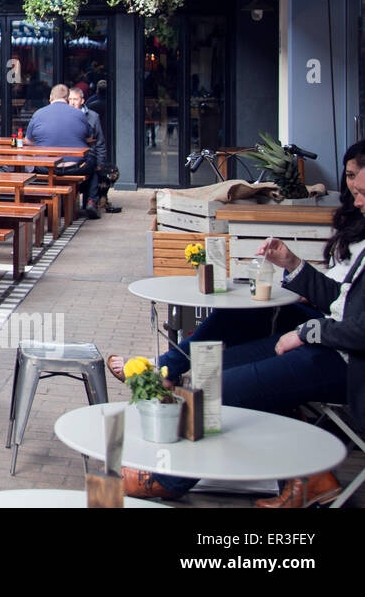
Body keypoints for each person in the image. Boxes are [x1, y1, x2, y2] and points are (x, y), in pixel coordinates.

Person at [118, 142, 365, 506]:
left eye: (361, 191)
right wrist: (292, 264)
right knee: (216, 368)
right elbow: (342, 302)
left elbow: (358, 329)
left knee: (222, 389)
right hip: (331, 344)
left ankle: (168, 480)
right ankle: (311, 478)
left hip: (348, 361)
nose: (356, 200)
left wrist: (306, 332)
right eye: (353, 188)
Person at [26, 84, 100, 219]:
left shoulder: (38, 114)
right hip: (75, 167)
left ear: (50, 98)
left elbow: (29, 141)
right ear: (67, 99)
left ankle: (31, 202)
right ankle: (91, 201)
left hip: (45, 168)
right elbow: (89, 138)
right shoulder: (79, 114)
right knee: (93, 163)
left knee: (30, 165)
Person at [68, 85, 117, 213]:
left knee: (95, 167)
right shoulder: (65, 117)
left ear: (82, 100)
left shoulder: (93, 116)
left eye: (75, 99)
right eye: (70, 99)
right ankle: (90, 201)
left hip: (89, 156)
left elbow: (100, 142)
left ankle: (91, 202)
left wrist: (100, 163)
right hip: (69, 158)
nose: (72, 102)